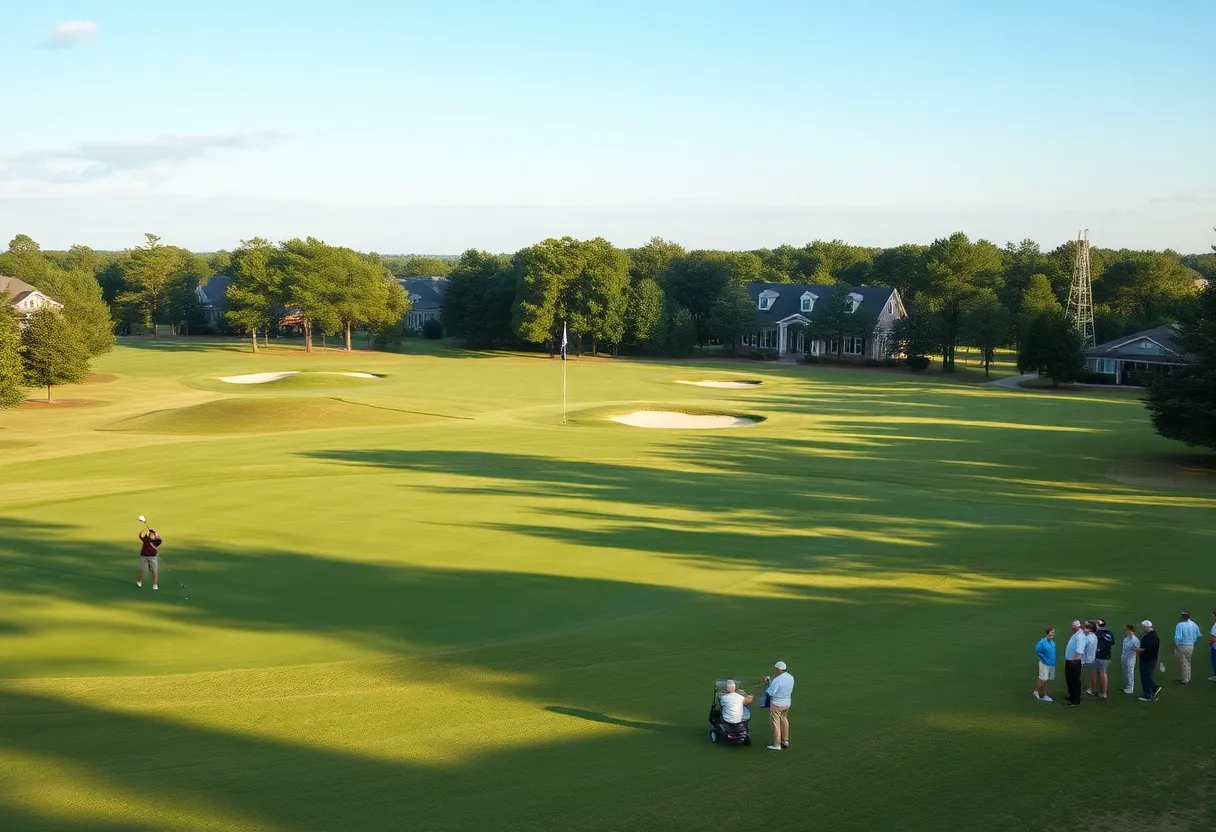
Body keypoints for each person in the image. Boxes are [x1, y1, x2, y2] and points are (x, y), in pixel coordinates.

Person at [762, 661, 794, 750]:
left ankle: (777, 745)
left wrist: (768, 684)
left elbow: (771, 692)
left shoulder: (777, 680)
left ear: (779, 669)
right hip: (787, 703)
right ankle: (785, 741)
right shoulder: (790, 677)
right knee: (784, 720)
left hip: (777, 704)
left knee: (776, 724)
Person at [1136, 620, 1161, 702]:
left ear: (1146, 627)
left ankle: (1149, 693)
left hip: (1147, 659)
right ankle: (1151, 692)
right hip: (1150, 659)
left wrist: (1139, 650)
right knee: (1147, 675)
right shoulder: (1153, 635)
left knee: (1145, 676)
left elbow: (1146, 648)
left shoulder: (1150, 636)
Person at [1174, 610, 1201, 684]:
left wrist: (1175, 645)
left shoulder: (1180, 625)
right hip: (1191, 645)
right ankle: (1188, 677)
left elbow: (1178, 637)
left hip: (1183, 645)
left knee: (1183, 662)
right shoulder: (1194, 624)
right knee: (1188, 661)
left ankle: (1185, 679)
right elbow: (1198, 635)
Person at [1063, 620, 1086, 706]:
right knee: (1069, 679)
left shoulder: (1080, 636)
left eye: (1073, 626)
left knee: (1075, 680)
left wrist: (1075, 659)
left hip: (1074, 661)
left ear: (1077, 626)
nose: (1072, 627)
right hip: (1070, 660)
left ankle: (1076, 700)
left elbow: (1079, 649)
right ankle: (1071, 696)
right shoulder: (1076, 634)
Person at [1090, 618, 1114, 699]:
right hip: (1107, 656)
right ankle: (1102, 692)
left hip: (1098, 656)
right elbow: (1112, 645)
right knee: (1103, 672)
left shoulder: (1096, 634)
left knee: (1096, 673)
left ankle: (1096, 691)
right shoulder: (1109, 633)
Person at [1033, 627, 1056, 702]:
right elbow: (1037, 651)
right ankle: (1036, 692)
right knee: (1043, 679)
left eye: (1053, 633)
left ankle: (1045, 695)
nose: (1053, 634)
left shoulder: (1053, 643)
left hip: (1051, 664)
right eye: (1052, 632)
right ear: (1047, 633)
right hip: (1044, 664)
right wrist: (1043, 659)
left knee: (1046, 680)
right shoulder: (1042, 643)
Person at [1080, 621, 1099, 697]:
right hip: (1092, 658)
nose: (1084, 628)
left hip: (1085, 659)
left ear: (1091, 629)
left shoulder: (1087, 638)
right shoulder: (1094, 636)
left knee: (1079, 675)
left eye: (1087, 627)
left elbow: (1082, 649)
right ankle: (1092, 690)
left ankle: (1078, 689)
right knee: (1092, 675)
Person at [1121, 623, 1140, 695]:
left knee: (1130, 673)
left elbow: (1137, 651)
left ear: (1130, 630)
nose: (1126, 631)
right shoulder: (1126, 638)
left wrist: (1138, 660)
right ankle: (1127, 686)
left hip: (1130, 659)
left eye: (1127, 630)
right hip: (1124, 657)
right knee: (1125, 672)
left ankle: (1131, 688)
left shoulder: (1135, 640)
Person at [1209, 610, 1216, 683]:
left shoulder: (1215, 626)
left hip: (1215, 647)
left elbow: (1213, 638)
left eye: (1213, 616)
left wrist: (1210, 644)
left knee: (1214, 662)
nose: (1212, 618)